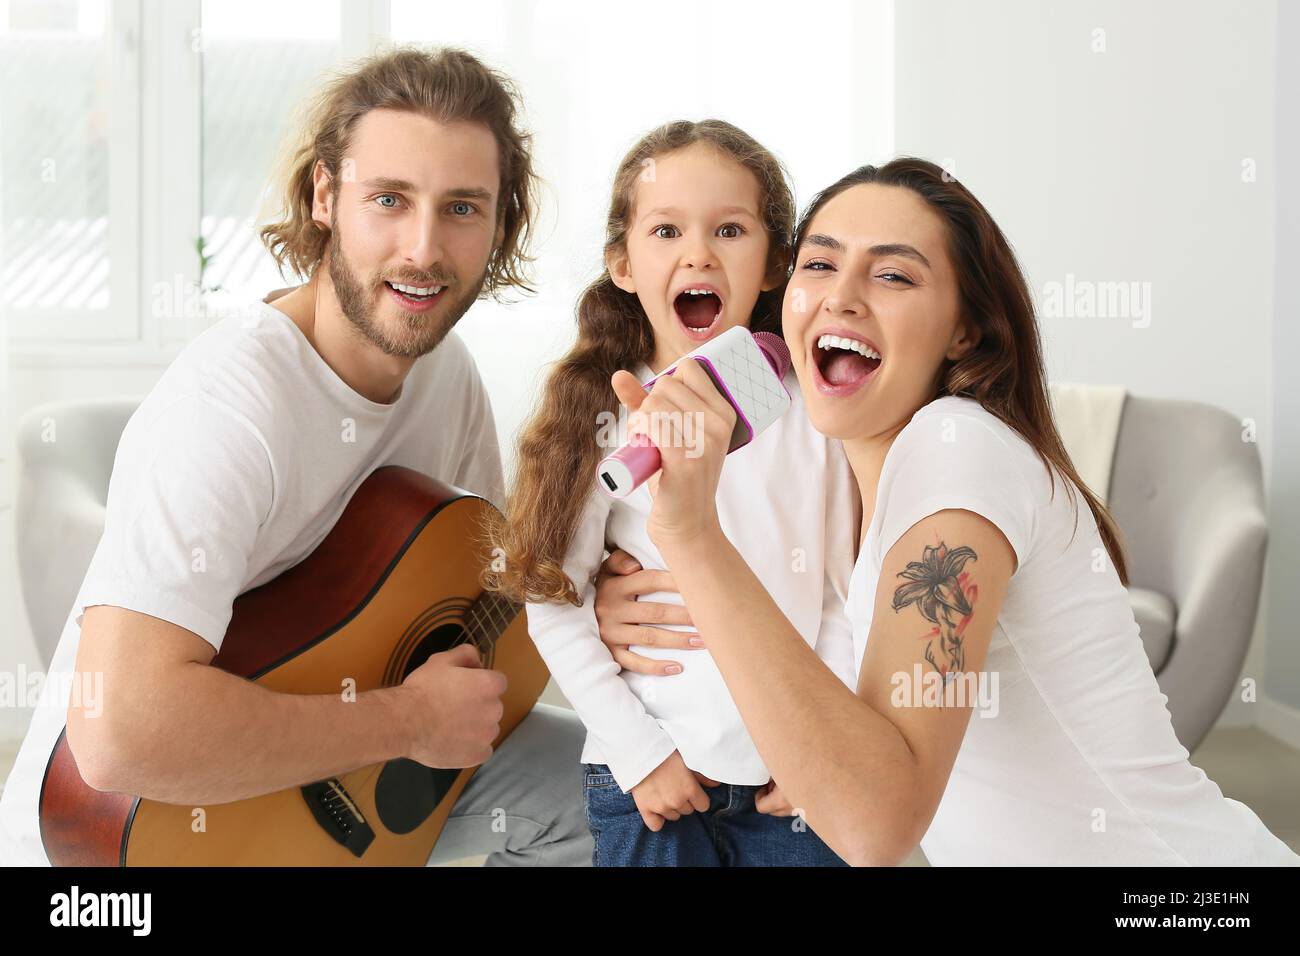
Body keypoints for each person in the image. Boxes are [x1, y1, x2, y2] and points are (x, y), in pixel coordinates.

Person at [600, 158, 1300, 866]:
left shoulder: (957, 446)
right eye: (818, 264)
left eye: (894, 275)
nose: (840, 297)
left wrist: (691, 537)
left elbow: (873, 826)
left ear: (965, 331)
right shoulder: (877, 482)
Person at [0, 46, 592, 868]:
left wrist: (614, 579)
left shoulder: (444, 376)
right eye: (389, 199)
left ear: (500, 226)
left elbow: (486, 604)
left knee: (605, 791)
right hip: (135, 844)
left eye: (462, 208)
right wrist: (409, 720)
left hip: (331, 793)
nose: (423, 249)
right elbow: (117, 739)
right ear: (324, 196)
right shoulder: (228, 408)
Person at [487, 120, 858, 866]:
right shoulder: (602, 419)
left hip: (792, 783)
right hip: (648, 783)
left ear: (776, 261)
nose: (699, 253)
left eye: (729, 229)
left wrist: (823, 746)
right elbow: (555, 607)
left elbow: (850, 594)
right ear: (623, 264)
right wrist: (640, 754)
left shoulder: (819, 415)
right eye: (665, 231)